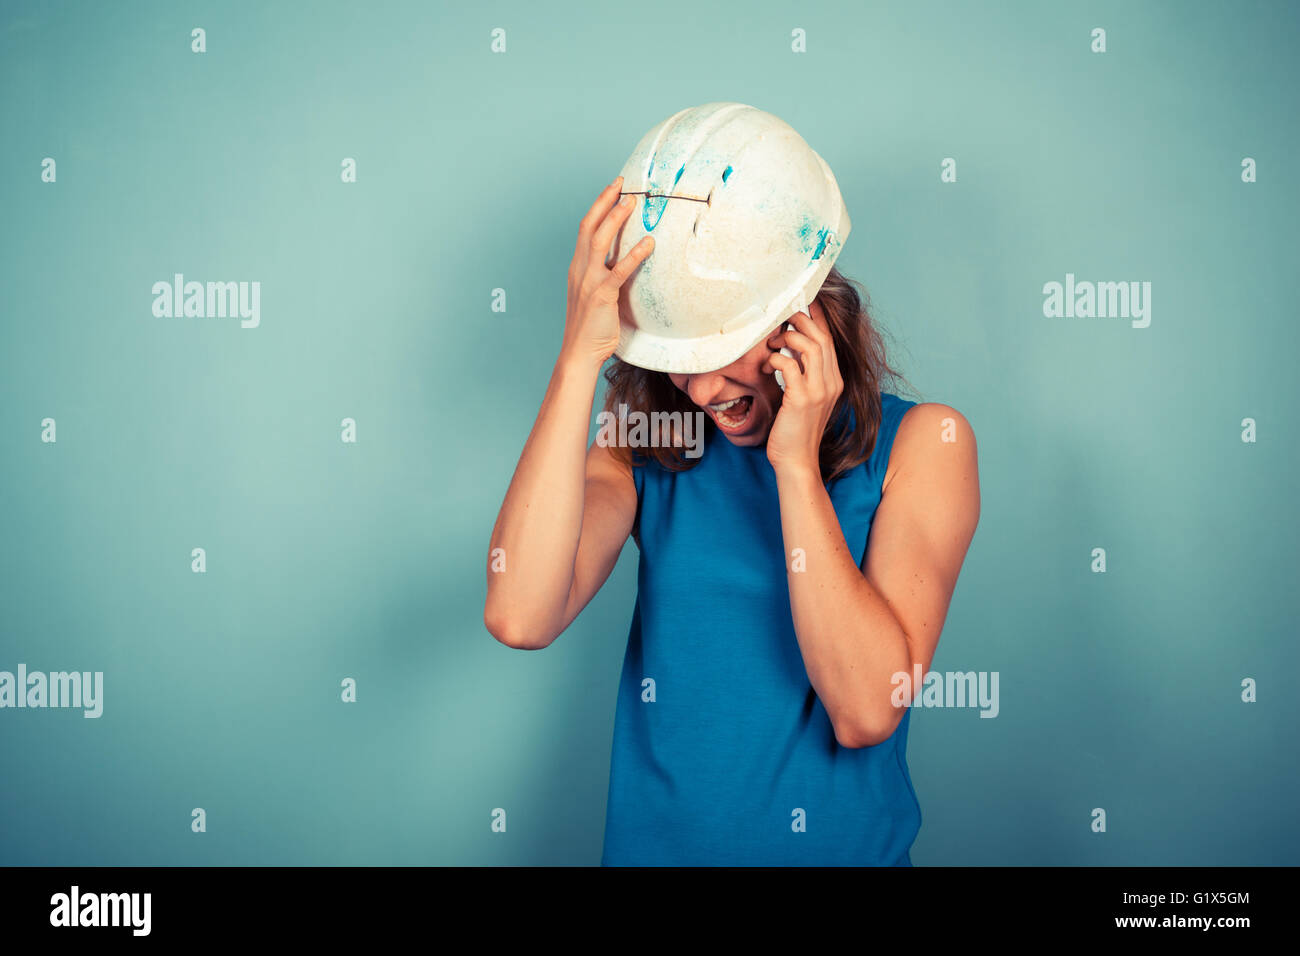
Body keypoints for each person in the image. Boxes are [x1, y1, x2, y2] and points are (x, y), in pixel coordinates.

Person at [486, 121, 979, 866]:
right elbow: (521, 613)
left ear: (805, 309)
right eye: (678, 355)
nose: (702, 388)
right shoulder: (645, 440)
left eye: (719, 349)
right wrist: (580, 358)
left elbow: (866, 710)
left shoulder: (926, 445)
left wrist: (796, 468)